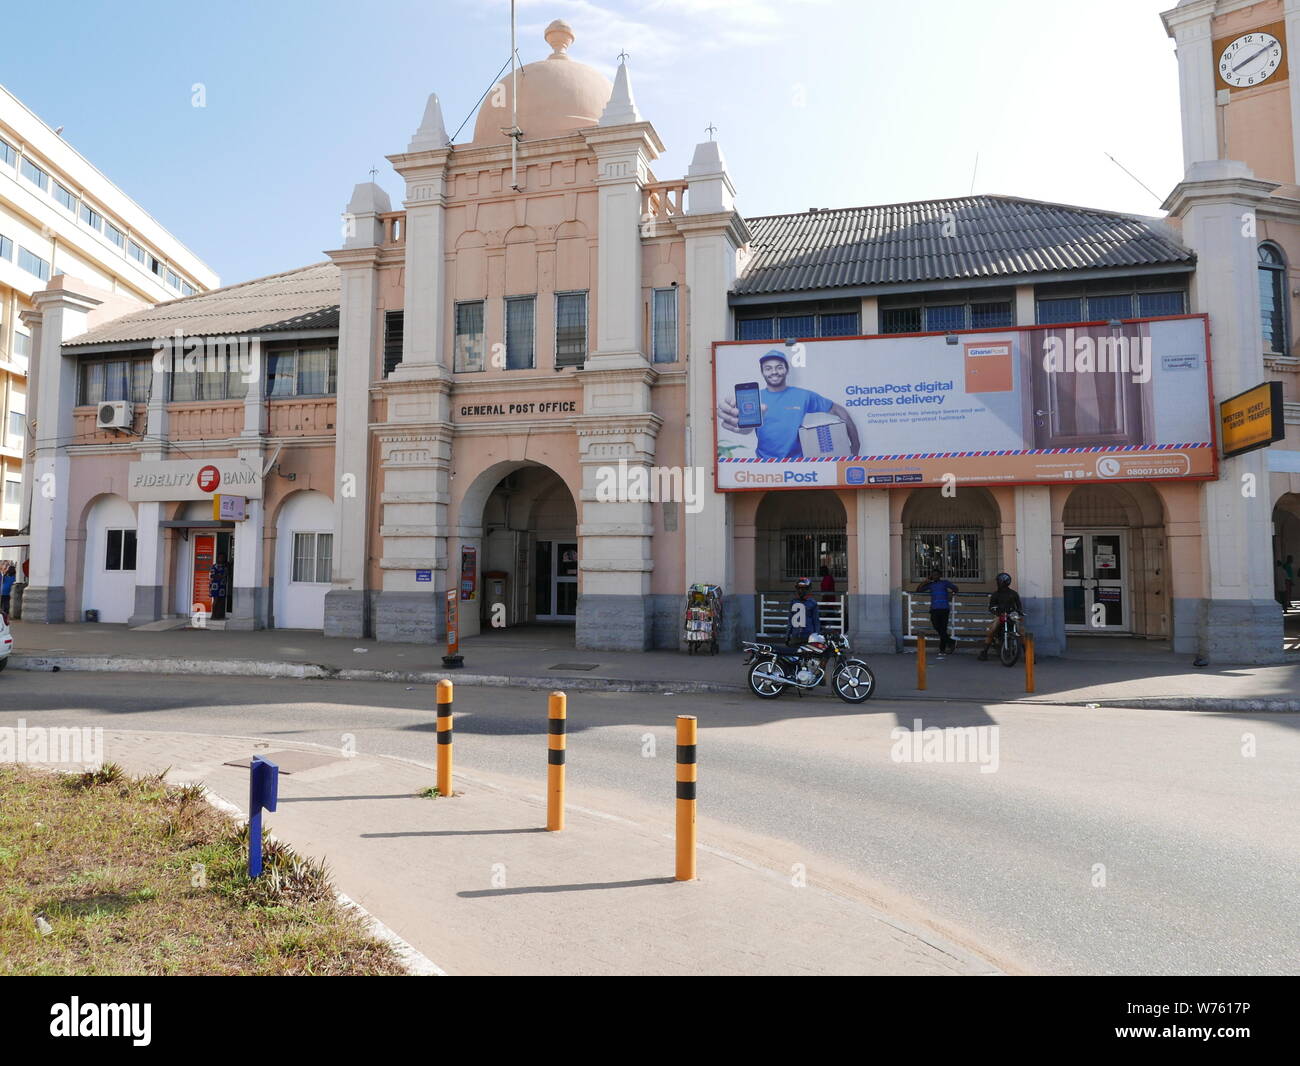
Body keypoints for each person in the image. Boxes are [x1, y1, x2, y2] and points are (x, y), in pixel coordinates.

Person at [718, 350, 861, 459]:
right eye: (768, 368)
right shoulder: (755, 398)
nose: (774, 372)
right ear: (762, 372)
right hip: (764, 465)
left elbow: (838, 410)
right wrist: (738, 424)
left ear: (787, 370)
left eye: (779, 367)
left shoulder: (803, 396)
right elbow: (746, 429)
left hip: (800, 463)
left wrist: (855, 445)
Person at [978, 572, 1023, 661]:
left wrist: (1019, 613)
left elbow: (1019, 606)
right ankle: (984, 652)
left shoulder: (1013, 594)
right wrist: (997, 612)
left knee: (1022, 632)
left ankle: (1028, 654)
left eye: (999, 581)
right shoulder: (995, 594)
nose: (999, 583)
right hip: (1000, 616)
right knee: (991, 631)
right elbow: (990, 607)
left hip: (1012, 616)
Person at [916, 568, 959, 657]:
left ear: (940, 575)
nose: (934, 576)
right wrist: (925, 581)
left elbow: (955, 588)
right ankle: (951, 641)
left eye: (936, 574)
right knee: (937, 627)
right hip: (934, 609)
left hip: (944, 608)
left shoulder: (945, 583)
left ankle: (942, 649)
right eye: (933, 574)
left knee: (943, 629)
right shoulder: (930, 584)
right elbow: (918, 590)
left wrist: (952, 593)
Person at [787, 577, 821, 646]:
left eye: (803, 589)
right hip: (798, 636)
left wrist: (787, 635)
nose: (801, 591)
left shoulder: (794, 602)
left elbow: (816, 621)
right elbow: (816, 622)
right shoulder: (812, 602)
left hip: (806, 636)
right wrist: (787, 635)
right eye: (799, 588)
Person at [208, 553, 229, 622]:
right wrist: (220, 575)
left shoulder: (224, 566)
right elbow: (213, 576)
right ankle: (213, 615)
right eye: (220, 557)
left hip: (222, 586)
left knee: (221, 601)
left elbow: (226, 575)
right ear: (218, 558)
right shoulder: (215, 566)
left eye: (223, 557)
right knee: (216, 600)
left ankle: (218, 615)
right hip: (215, 586)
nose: (221, 559)